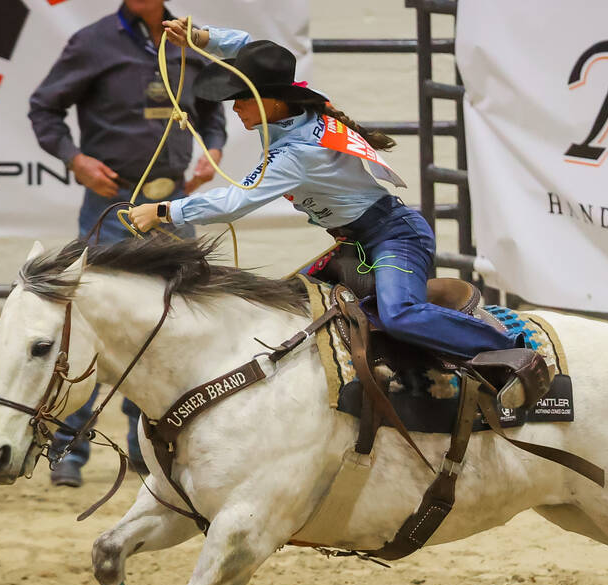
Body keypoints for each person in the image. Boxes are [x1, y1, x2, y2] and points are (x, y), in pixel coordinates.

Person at [127, 21, 549, 410]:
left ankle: (508, 350)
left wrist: (165, 210)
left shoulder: (297, 154)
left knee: (398, 312)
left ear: (269, 101)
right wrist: (202, 38)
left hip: (394, 238)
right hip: (359, 242)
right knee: (288, 302)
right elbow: (251, 51)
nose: (234, 108)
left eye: (241, 99)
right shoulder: (296, 111)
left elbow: (237, 202)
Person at [29, 1, 228, 486]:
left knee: (171, 317)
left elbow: (211, 110)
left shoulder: (186, 39)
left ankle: (148, 445)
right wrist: (76, 160)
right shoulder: (93, 42)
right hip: (114, 201)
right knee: (93, 315)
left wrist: (214, 148)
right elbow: (45, 107)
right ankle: (68, 450)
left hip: (171, 204)